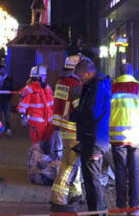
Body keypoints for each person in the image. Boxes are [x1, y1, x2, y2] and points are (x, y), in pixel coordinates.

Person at [110, 63, 139, 214]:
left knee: (120, 171)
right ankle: (134, 207)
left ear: (119, 73)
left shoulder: (112, 88)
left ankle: (121, 205)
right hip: (137, 137)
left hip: (117, 138)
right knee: (134, 171)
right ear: (132, 72)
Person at [71, 57, 111, 214]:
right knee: (90, 179)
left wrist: (74, 115)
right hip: (92, 137)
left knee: (92, 179)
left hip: (94, 138)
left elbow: (92, 111)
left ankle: (98, 212)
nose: (80, 80)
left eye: (80, 76)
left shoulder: (97, 86)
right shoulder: (94, 85)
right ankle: (95, 210)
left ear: (88, 72)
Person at [51, 55, 85, 211]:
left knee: (73, 161)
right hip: (73, 128)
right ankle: (58, 199)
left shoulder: (61, 82)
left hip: (64, 128)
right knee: (69, 164)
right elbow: (79, 109)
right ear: (76, 68)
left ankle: (75, 193)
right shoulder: (76, 84)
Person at [17, 65, 54, 145]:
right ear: (38, 77)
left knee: (47, 147)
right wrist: (23, 117)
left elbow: (52, 104)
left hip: (49, 123)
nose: (45, 77)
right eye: (44, 76)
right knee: (38, 147)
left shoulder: (47, 88)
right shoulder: (29, 90)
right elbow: (22, 106)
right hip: (37, 125)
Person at [0, 65, 14, 136]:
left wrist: (8, 97)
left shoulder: (9, 80)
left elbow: (12, 89)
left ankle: (8, 129)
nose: (2, 71)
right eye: (1, 70)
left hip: (6, 100)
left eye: (4, 70)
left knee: (7, 115)